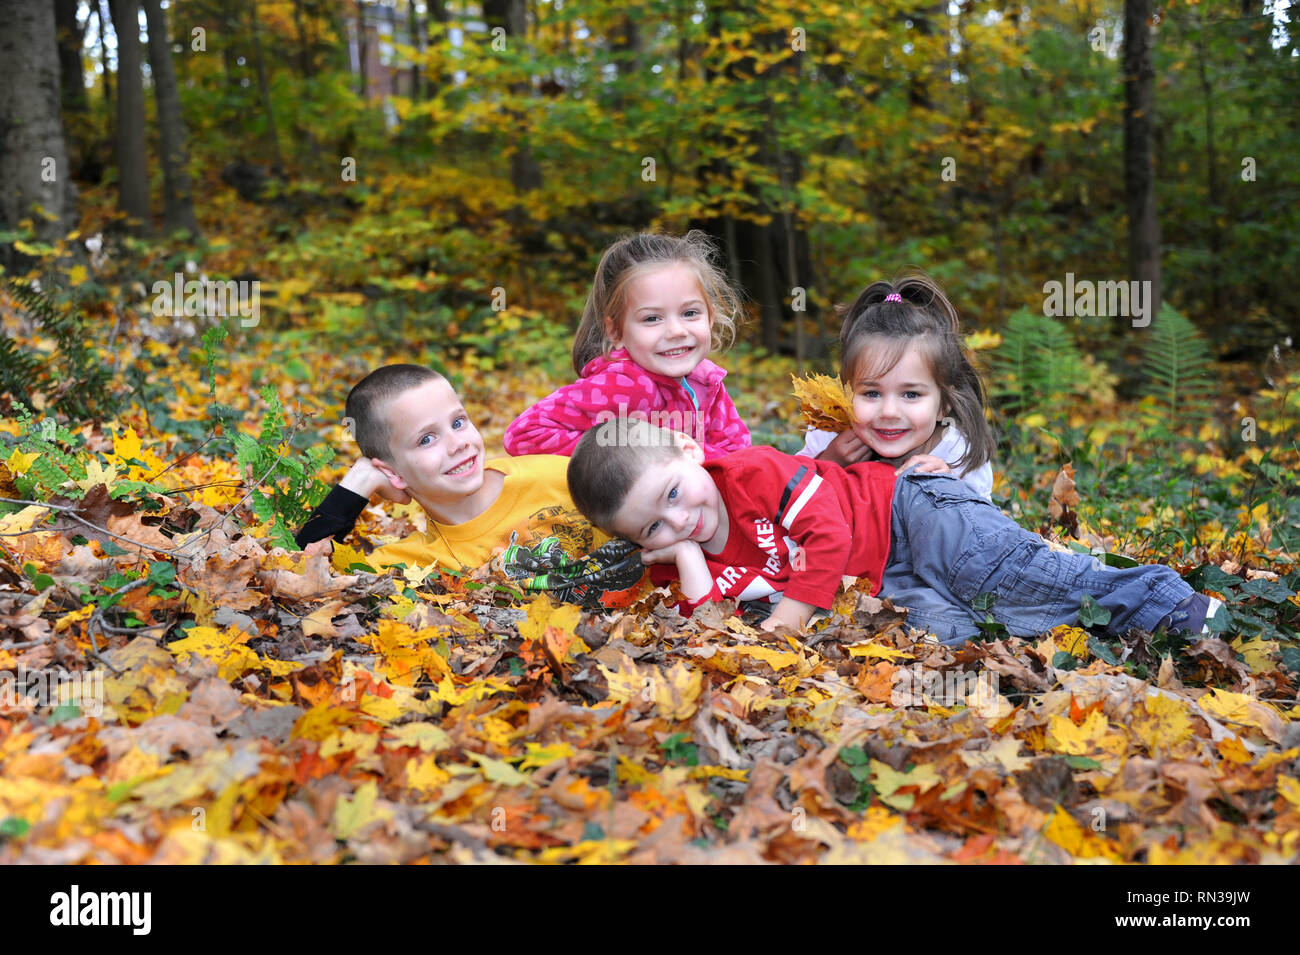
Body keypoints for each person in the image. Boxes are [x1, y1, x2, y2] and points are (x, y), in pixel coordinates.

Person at [566, 418, 1219, 642]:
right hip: (888, 579)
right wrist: (684, 558)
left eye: (675, 494)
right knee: (973, 629)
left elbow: (826, 536)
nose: (680, 518)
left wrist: (789, 619)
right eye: (654, 524)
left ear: (688, 450)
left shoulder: (749, 474)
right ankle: (1122, 614)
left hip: (912, 512)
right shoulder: (672, 559)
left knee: (1000, 573)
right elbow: (708, 630)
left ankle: (1173, 601)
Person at [295, 364, 645, 609]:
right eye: (427, 439)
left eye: (458, 422)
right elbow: (296, 576)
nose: (457, 443)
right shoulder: (409, 563)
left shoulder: (560, 476)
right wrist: (356, 486)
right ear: (394, 473)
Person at [503, 231, 751, 460]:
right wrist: (642, 451)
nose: (677, 331)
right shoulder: (624, 384)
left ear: (710, 317)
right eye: (652, 318)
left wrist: (695, 453)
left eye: (690, 313)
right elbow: (524, 434)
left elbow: (738, 455)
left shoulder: (707, 381)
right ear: (616, 331)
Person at [799, 273, 996, 500]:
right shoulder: (829, 436)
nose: (889, 412)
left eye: (911, 394)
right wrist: (830, 462)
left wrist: (950, 489)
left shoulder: (958, 454)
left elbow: (983, 527)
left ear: (944, 404)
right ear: (846, 392)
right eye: (872, 393)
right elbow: (787, 501)